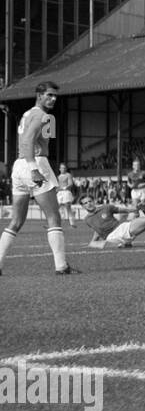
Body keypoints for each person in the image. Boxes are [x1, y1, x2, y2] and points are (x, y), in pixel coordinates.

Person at [0, 81, 78, 276]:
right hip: (34, 163)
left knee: (16, 221)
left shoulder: (30, 114)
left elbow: (34, 138)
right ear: (39, 95)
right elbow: (28, 140)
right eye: (49, 95)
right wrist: (34, 168)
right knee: (54, 216)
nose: (53, 99)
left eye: (55, 96)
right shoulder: (41, 115)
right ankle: (61, 266)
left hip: (18, 165)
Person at [81, 194, 145, 249]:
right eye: (85, 203)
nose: (88, 204)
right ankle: (124, 242)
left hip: (122, 229)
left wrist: (134, 209)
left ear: (93, 201)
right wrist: (92, 242)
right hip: (112, 237)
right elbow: (97, 230)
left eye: (90, 201)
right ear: (83, 206)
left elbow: (123, 210)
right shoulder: (87, 220)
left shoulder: (106, 207)